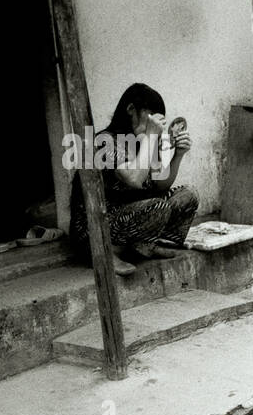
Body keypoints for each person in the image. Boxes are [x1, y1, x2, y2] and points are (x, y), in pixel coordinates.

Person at [70, 83, 198, 276]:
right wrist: (149, 138)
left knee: (188, 195)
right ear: (131, 109)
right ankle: (108, 252)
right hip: (97, 225)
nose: (153, 126)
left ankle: (144, 245)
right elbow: (133, 179)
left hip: (130, 216)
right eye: (150, 117)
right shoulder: (104, 141)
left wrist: (178, 155)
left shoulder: (145, 141)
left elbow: (160, 185)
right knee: (157, 207)